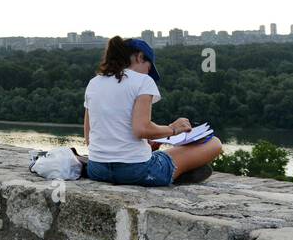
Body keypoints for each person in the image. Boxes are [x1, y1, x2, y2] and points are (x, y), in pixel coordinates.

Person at [83, 36, 223, 186]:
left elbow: (89, 137)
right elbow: (141, 129)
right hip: (136, 172)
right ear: (140, 57)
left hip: (97, 169)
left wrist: (146, 143)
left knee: (154, 153)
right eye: (149, 68)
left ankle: (175, 171)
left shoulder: (94, 83)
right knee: (214, 144)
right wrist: (172, 129)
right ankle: (174, 173)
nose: (147, 74)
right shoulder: (143, 81)